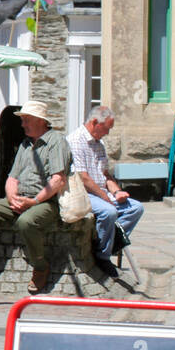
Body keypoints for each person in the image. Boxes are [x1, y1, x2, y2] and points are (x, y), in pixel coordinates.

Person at [0, 101, 70, 294]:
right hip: (20, 198)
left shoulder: (56, 142)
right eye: (23, 120)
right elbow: (12, 177)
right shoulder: (25, 144)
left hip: (45, 201)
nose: (23, 124)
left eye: (27, 120)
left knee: (26, 222)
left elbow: (58, 180)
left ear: (40, 121)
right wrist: (12, 198)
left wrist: (34, 201)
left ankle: (40, 265)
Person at [67, 105, 143, 279]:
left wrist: (116, 192)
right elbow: (83, 178)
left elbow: (105, 174)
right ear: (95, 122)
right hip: (84, 194)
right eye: (107, 128)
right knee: (109, 211)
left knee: (136, 208)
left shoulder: (99, 144)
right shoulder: (75, 140)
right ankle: (102, 255)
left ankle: (108, 242)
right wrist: (105, 198)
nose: (108, 133)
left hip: (102, 193)